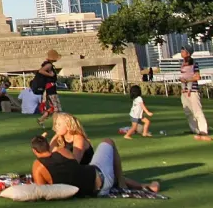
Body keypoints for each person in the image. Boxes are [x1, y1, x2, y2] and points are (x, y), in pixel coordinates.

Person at [30, 135, 158, 197]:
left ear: (34, 151)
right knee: (108, 141)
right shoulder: (62, 151)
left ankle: (135, 185)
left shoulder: (38, 166)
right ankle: (125, 184)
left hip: (95, 190)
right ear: (47, 146)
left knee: (105, 171)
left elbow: (42, 190)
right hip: (100, 177)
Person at [179, 48, 210, 142]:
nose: (181, 53)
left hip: (193, 91)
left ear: (188, 53)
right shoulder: (182, 64)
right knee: (188, 112)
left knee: (197, 111)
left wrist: (187, 81)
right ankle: (195, 130)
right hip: (184, 91)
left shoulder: (194, 64)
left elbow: (197, 76)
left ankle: (203, 130)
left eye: (183, 51)